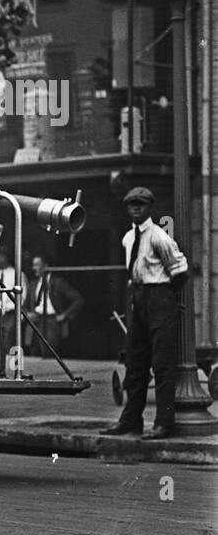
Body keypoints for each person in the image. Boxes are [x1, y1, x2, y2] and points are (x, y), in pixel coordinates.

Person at [101, 187, 190, 440]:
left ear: (150, 207)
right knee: (135, 363)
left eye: (141, 204)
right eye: (132, 205)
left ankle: (164, 423)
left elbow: (180, 270)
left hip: (160, 296)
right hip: (138, 298)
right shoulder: (128, 238)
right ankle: (131, 421)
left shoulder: (159, 236)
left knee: (162, 364)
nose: (136, 208)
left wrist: (165, 297)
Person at [21, 253, 84, 357]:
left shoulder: (58, 282)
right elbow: (24, 305)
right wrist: (28, 314)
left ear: (46, 266)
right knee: (34, 354)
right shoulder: (33, 284)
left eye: (37, 265)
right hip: (35, 322)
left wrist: (64, 315)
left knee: (49, 354)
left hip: (51, 322)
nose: (33, 268)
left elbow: (78, 299)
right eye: (33, 265)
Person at [0, 244, 19, 366]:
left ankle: (15, 370)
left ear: (4, 257)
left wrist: (6, 308)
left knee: (11, 344)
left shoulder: (16, 274)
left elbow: (19, 298)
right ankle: (0, 369)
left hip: (10, 314)